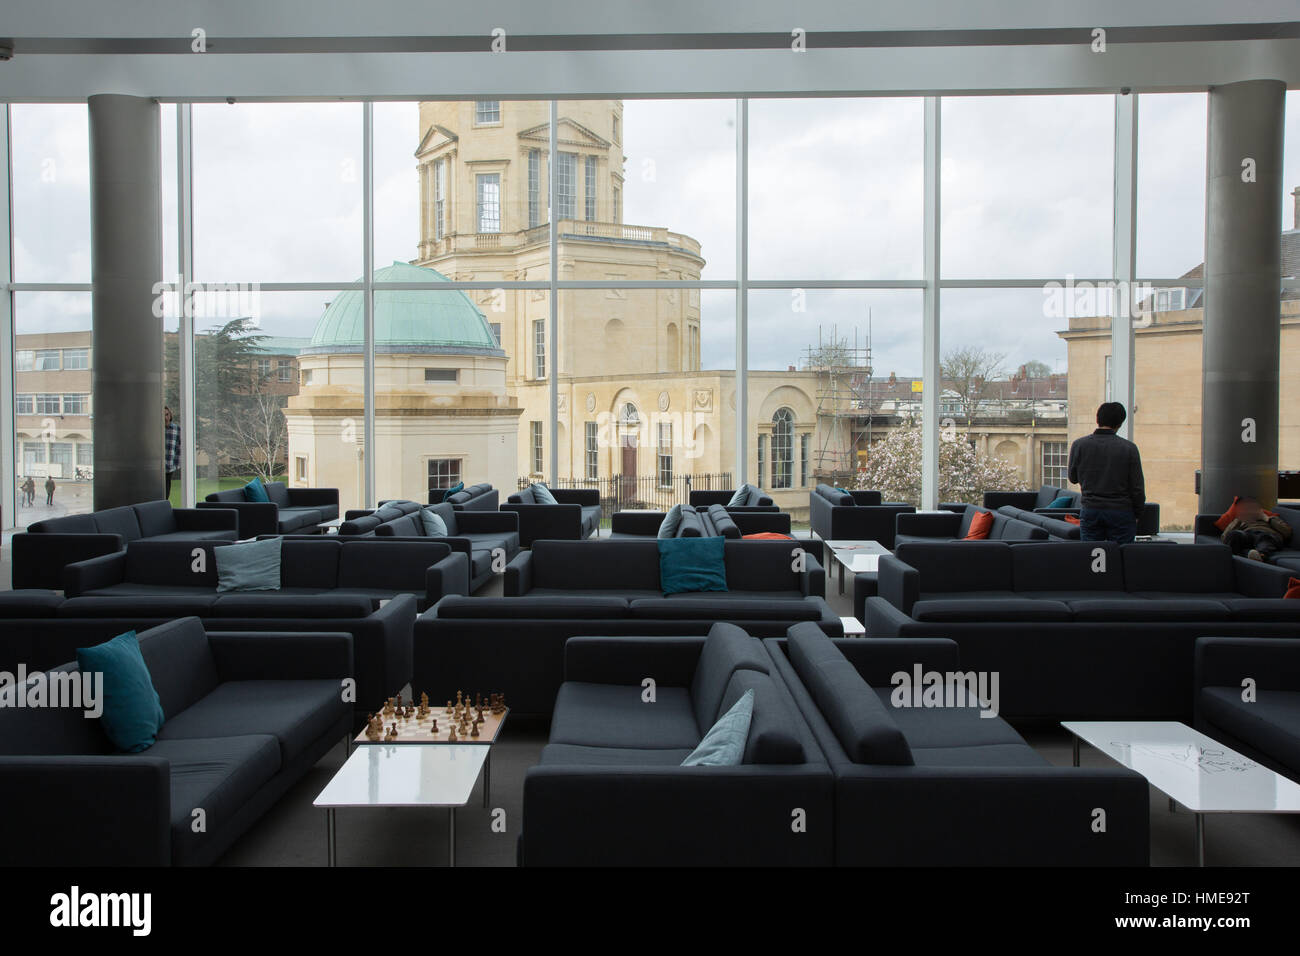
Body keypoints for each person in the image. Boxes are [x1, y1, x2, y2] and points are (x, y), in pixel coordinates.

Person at [1067, 401, 1146, 545]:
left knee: (1092, 557)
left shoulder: (1079, 445)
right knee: (1121, 556)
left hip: (1091, 509)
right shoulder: (1129, 448)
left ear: (1098, 419)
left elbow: (1073, 478)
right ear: (1120, 423)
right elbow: (1137, 488)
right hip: (1121, 511)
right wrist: (1138, 513)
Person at [1221, 497, 1292, 562]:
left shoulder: (1273, 518)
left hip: (1268, 534)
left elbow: (1287, 532)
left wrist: (1267, 519)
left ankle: (1260, 556)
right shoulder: (1241, 521)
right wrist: (1239, 520)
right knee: (1235, 534)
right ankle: (1233, 559)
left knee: (1264, 538)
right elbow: (1224, 537)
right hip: (1249, 534)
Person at [164, 406, 181, 500]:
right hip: (157, 467)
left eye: (167, 414)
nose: (165, 418)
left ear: (170, 415)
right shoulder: (157, 430)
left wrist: (177, 464)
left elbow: (179, 448)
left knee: (166, 490)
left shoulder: (176, 429)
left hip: (170, 465)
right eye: (162, 415)